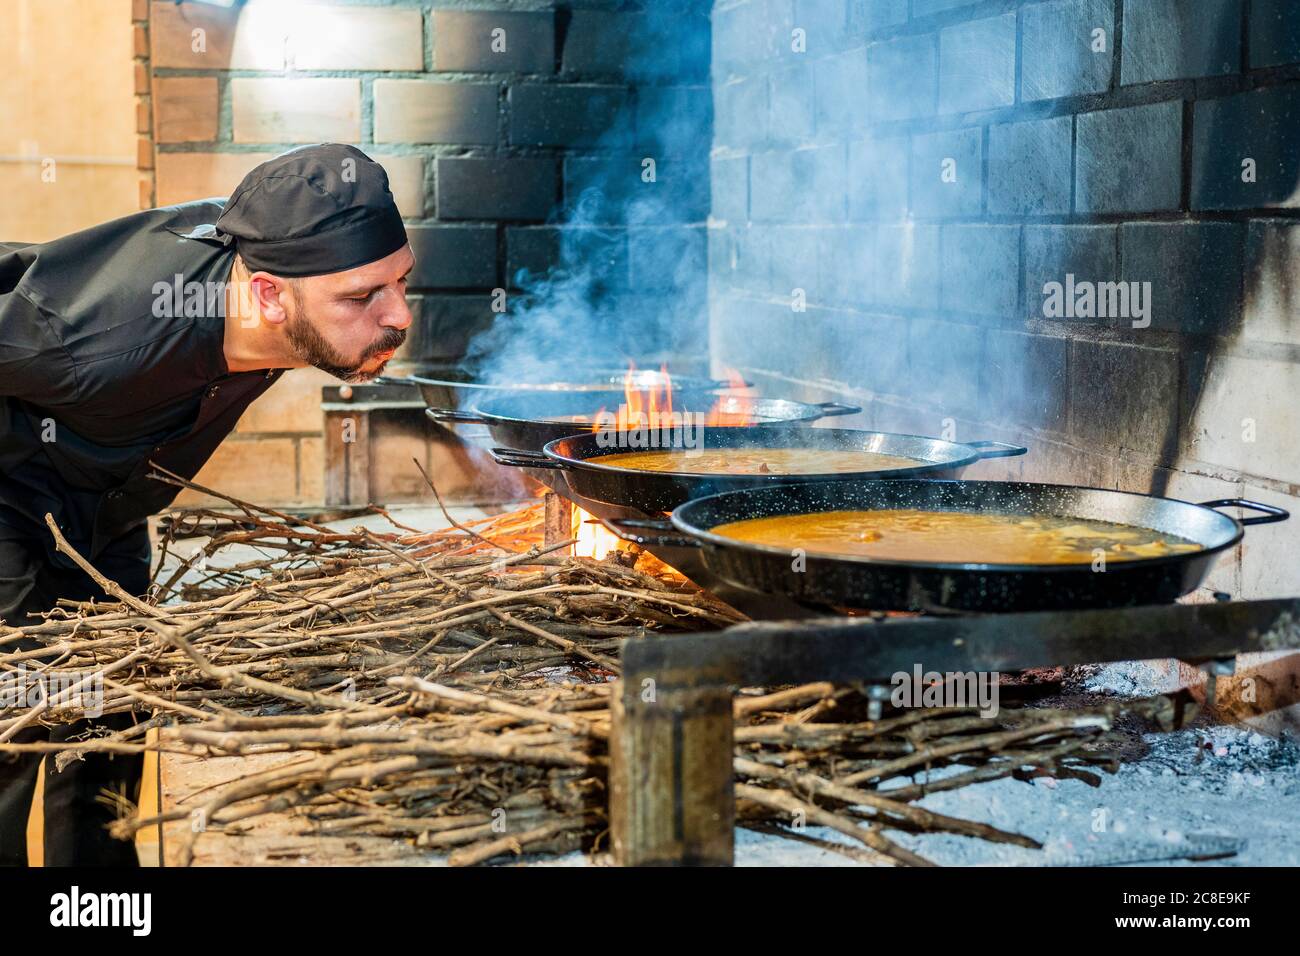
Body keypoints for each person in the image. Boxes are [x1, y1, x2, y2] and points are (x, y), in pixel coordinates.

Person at [0, 143, 415, 865]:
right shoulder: (91, 341)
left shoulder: (271, 273)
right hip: (9, 498)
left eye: (401, 282)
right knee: (19, 712)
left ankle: (99, 906)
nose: (398, 316)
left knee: (112, 709)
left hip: (110, 500)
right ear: (266, 296)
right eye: (361, 297)